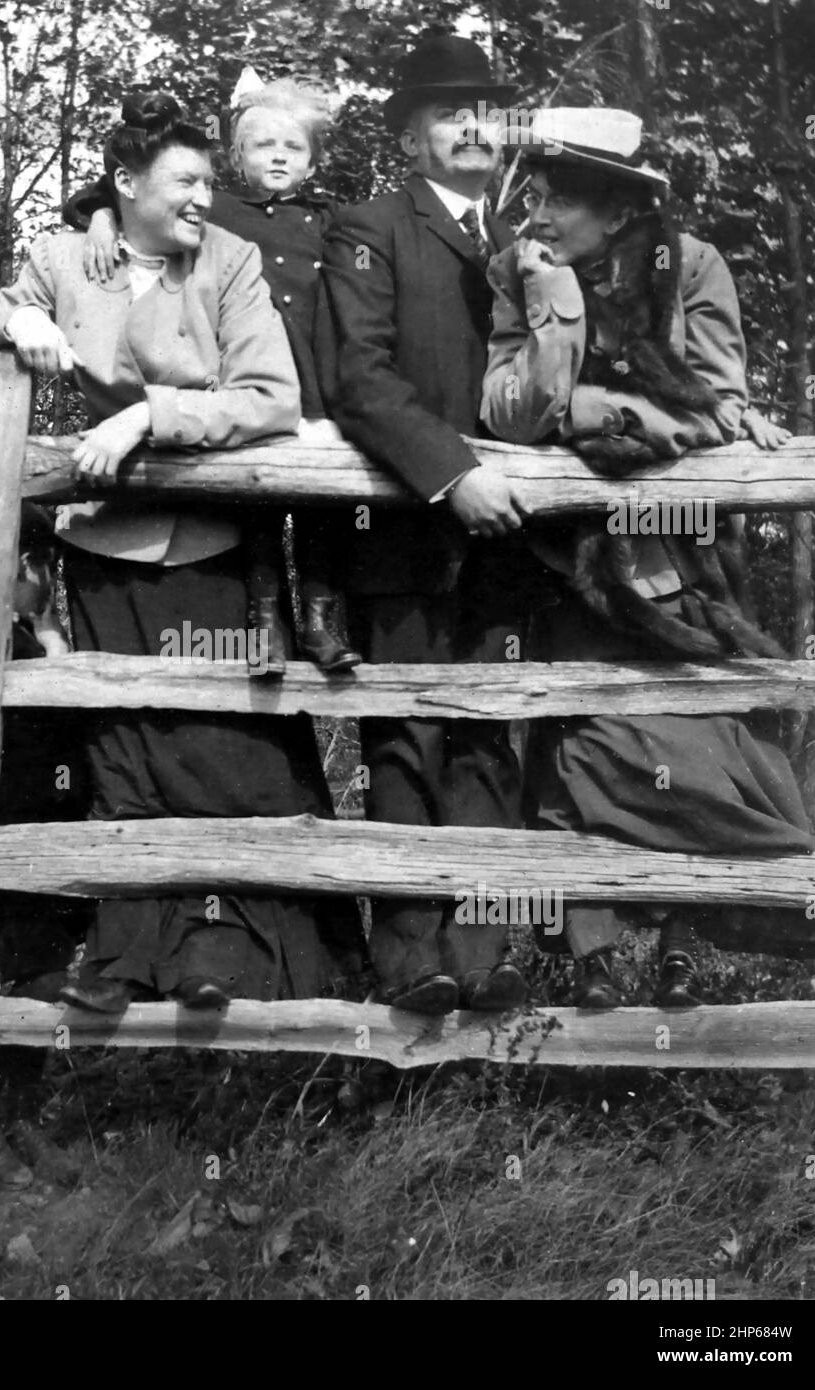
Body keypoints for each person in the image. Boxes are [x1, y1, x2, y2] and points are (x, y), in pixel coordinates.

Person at [0, 91, 365, 1017]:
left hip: (211, 550)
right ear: (126, 186)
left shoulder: (230, 260)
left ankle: (253, 971)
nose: (204, 196)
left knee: (228, 758)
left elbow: (269, 397)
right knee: (126, 764)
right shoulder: (61, 259)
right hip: (102, 550)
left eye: (211, 180)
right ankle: (136, 964)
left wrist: (148, 415)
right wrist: (16, 325)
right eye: (185, 181)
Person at [480, 106, 815, 1007]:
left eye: (558, 198)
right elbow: (509, 414)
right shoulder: (520, 271)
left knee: (698, 741)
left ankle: (683, 941)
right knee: (580, 743)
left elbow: (715, 413)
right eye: (533, 193)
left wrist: (603, 419)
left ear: (614, 209)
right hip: (564, 556)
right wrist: (556, 310)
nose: (536, 213)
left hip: (678, 556)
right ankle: (595, 957)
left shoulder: (690, 267)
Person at [318, 34, 533, 1016]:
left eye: (488, 111)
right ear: (411, 137)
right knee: (404, 746)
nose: (474, 127)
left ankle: (487, 960)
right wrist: (455, 474)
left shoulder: (536, 238)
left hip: (522, 541)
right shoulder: (368, 229)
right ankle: (412, 971)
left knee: (493, 744)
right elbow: (358, 376)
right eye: (452, 113)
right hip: (404, 534)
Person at [63, 75, 360, 678]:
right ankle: (265, 625)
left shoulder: (331, 220)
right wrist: (98, 220)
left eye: (293, 148)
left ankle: (322, 624)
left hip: (313, 387)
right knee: (250, 509)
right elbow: (127, 199)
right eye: (262, 146)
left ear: (312, 160)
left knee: (324, 515)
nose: (278, 157)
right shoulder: (213, 212)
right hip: (243, 388)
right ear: (236, 157)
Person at [0, 504, 92, 1189]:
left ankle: (18, 1111)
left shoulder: (35, 632)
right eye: (27, 565)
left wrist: (46, 629)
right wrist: (45, 637)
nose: (37, 576)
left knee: (51, 973)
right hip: (19, 832)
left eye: (44, 565)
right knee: (34, 972)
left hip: (64, 826)